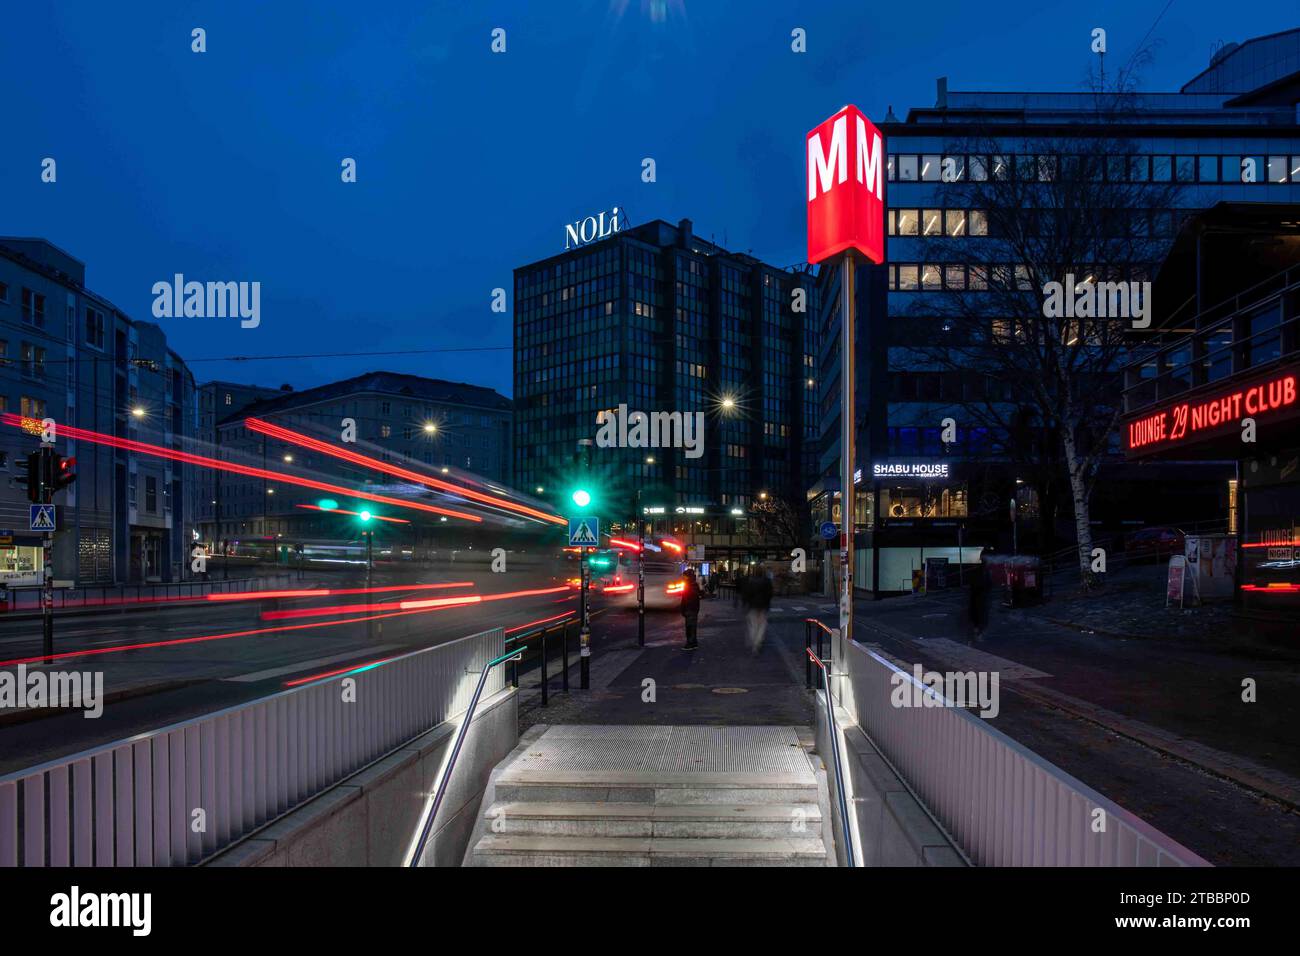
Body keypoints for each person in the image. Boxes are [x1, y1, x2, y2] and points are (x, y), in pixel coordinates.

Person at [744, 564, 773, 655]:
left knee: (753, 625)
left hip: (753, 606)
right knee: (761, 626)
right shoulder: (767, 581)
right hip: (763, 606)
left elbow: (747, 594)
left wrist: (746, 603)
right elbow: (770, 594)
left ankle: (754, 642)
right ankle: (758, 642)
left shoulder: (751, 581)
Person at [968, 549, 992, 641]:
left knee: (981, 615)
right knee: (979, 615)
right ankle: (977, 631)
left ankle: (977, 631)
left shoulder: (982, 570)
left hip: (981, 596)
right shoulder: (980, 570)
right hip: (979, 596)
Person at [679, 567, 701, 650]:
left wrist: (684, 609)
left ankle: (690, 643)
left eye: (684, 576)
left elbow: (687, 598)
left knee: (690, 627)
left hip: (690, 609)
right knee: (691, 627)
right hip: (692, 609)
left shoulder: (690, 585)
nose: (683, 578)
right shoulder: (692, 585)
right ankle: (693, 643)